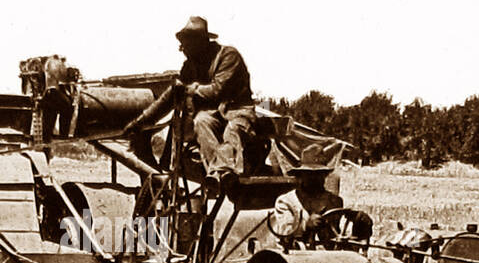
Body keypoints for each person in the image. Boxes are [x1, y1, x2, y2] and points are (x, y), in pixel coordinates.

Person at [122, 17, 259, 187]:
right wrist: (139, 122)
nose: (182, 49)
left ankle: (222, 172)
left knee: (232, 130)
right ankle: (216, 175)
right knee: (201, 121)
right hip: (212, 116)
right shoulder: (190, 66)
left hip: (237, 112)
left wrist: (192, 89)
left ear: (201, 41)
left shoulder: (228, 56)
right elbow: (171, 97)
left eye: (185, 45)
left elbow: (217, 90)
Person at [269, 144, 344, 241]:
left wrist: (359, 223)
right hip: (297, 252)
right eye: (309, 174)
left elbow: (341, 231)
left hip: (329, 253)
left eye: (319, 174)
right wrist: (305, 225)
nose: (314, 178)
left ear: (325, 176)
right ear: (301, 176)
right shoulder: (286, 202)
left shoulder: (335, 201)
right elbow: (284, 230)